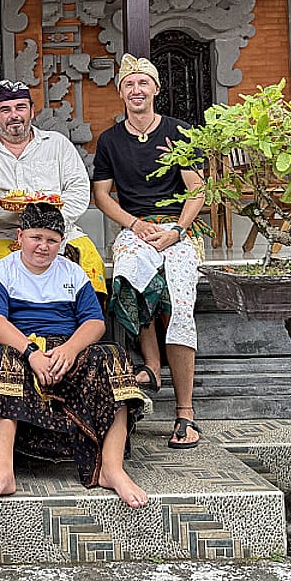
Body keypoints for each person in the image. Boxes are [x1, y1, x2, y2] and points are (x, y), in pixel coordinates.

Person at [0, 203, 148, 506]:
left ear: (61, 242)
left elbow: (94, 322)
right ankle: (4, 472)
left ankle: (112, 468)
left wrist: (69, 349)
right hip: (23, 349)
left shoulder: (73, 273)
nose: (43, 246)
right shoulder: (1, 271)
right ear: (20, 236)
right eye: (36, 238)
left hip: (67, 349)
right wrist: (31, 353)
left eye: (52, 240)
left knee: (115, 357)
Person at [90, 54, 206, 450]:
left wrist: (177, 229)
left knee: (177, 295)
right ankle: (151, 366)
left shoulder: (178, 132)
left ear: (156, 89)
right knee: (130, 278)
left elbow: (197, 190)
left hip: (176, 225)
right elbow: (102, 195)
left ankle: (185, 412)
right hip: (135, 225)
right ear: (120, 93)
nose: (136, 91)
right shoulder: (110, 140)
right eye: (128, 85)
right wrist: (133, 224)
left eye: (143, 84)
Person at [0, 79, 105, 296]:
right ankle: (24, 328)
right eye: (5, 109)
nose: (14, 115)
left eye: (20, 107)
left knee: (91, 262)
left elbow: (78, 188)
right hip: (2, 234)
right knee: (8, 273)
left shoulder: (56, 143)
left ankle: (85, 326)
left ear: (32, 111)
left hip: (60, 232)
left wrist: (51, 224)